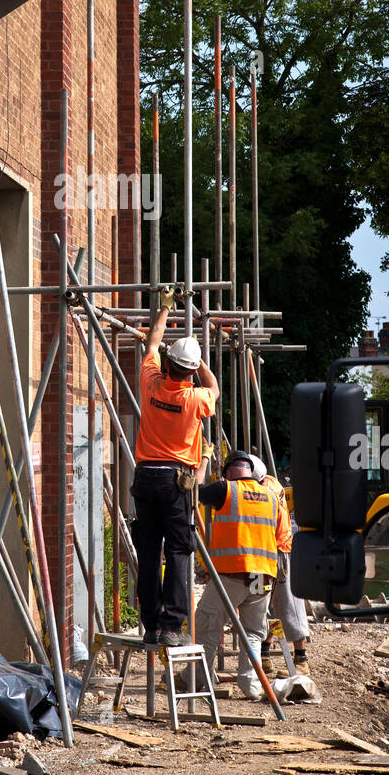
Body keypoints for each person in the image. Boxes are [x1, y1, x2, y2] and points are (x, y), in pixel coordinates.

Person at [131, 286, 218, 647]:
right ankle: (171, 628)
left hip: (145, 476)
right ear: (191, 371)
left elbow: (152, 344)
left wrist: (165, 308)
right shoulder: (196, 397)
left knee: (149, 552)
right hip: (176, 480)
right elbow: (214, 387)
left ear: (168, 365)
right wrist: (200, 364)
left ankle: (151, 623)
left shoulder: (150, 383)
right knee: (179, 550)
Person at [194, 450, 287, 700]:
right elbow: (281, 534)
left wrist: (203, 459)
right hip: (264, 577)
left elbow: (194, 492)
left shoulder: (226, 489)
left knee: (208, 623)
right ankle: (251, 685)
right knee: (253, 632)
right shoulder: (271, 495)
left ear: (228, 471)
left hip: (233, 573)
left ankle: (199, 680)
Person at [259, 465, 312, 678]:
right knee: (266, 604)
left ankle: (301, 659)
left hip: (280, 552)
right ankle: (264, 655)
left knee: (290, 606)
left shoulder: (266, 488)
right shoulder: (267, 483)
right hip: (267, 552)